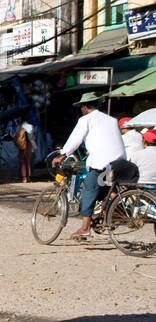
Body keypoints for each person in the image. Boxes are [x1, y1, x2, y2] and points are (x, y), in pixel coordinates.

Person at [52, 92, 127, 240]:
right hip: (119, 162)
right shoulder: (111, 120)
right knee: (106, 190)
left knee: (88, 190)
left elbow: (75, 139)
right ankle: (117, 213)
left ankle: (85, 228)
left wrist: (62, 155)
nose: (81, 110)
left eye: (81, 107)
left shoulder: (86, 119)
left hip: (101, 162)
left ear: (85, 107)